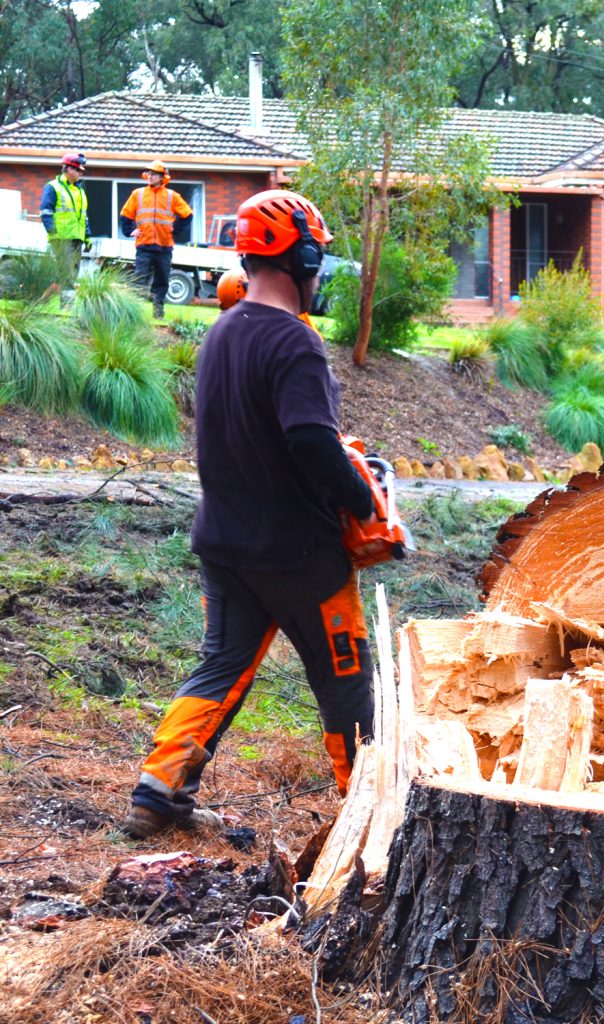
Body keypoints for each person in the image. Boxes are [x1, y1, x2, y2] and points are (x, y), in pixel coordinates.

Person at [122, 189, 375, 840]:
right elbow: (310, 440)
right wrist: (359, 497)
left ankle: (159, 787)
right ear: (305, 255)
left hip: (225, 544)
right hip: (300, 556)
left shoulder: (222, 333)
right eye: (316, 257)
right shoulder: (294, 343)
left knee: (221, 664)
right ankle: (371, 810)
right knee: (346, 678)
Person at [119, 160, 193, 319]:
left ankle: (158, 313)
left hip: (164, 247)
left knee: (162, 281)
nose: (149, 176)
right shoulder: (137, 194)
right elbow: (125, 215)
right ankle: (134, 313)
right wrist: (130, 231)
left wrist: (174, 231)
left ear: (162, 177)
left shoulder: (172, 196)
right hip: (144, 246)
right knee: (139, 278)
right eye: (148, 173)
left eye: (153, 174)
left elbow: (188, 215)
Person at [39, 151, 91, 276]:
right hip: (61, 238)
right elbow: (46, 211)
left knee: (73, 271)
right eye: (78, 170)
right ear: (69, 170)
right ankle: (67, 296)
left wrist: (87, 236)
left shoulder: (79, 191)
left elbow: (83, 216)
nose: (81, 173)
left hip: (77, 238)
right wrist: (53, 231)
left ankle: (67, 295)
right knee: (66, 272)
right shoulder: (53, 187)